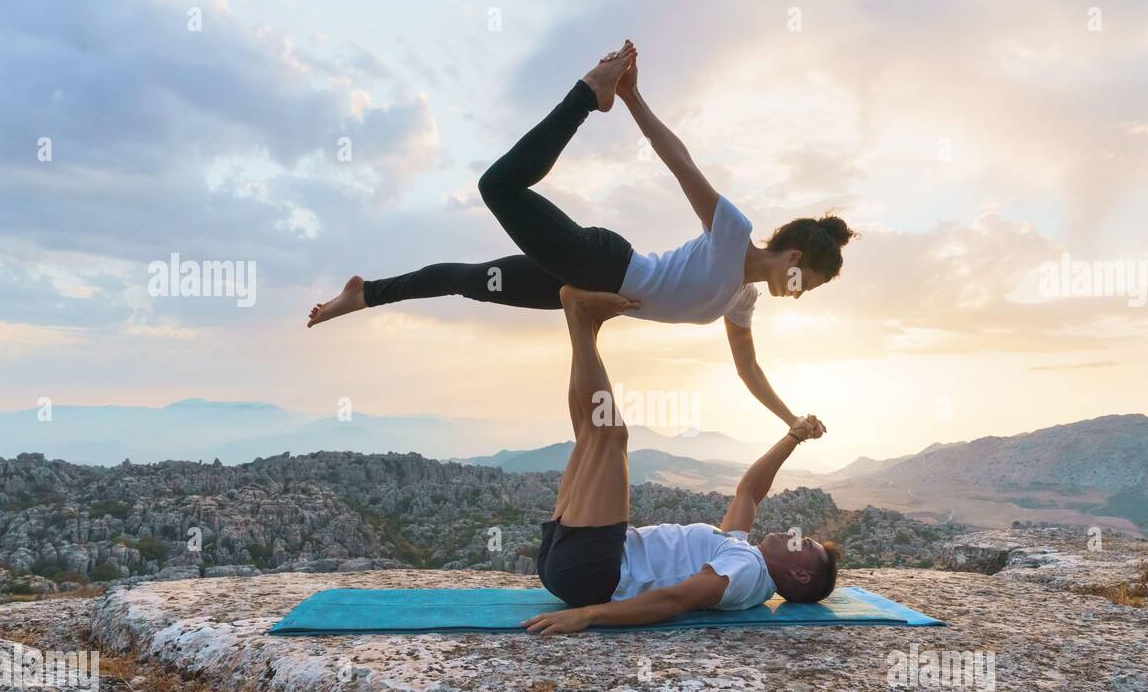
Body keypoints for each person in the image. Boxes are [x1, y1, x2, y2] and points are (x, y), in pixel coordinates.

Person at [307, 41, 855, 436]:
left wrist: (792, 421)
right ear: (795, 255)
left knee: (469, 281)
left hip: (587, 284)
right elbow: (678, 160)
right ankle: (586, 95)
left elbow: (748, 371)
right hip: (603, 263)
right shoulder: (732, 234)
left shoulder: (743, 299)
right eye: (806, 280)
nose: (801, 292)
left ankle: (366, 291)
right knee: (497, 185)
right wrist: (630, 98)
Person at [520, 286, 840, 637]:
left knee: (609, 436)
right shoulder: (739, 551)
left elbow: (674, 600)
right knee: (591, 434)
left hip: (597, 571)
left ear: (801, 575)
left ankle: (580, 321)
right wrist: (794, 436)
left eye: (804, 543)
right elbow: (749, 492)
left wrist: (589, 615)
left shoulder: (746, 571)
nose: (795, 534)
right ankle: (583, 324)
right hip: (577, 565)